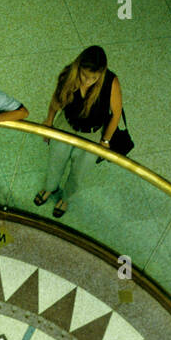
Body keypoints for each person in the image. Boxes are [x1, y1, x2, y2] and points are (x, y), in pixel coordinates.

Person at [35, 46, 123, 218]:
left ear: (102, 72)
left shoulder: (111, 82)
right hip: (66, 126)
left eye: (94, 77)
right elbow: (57, 100)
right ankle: (50, 188)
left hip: (91, 135)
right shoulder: (69, 74)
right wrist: (49, 121)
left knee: (78, 173)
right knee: (55, 162)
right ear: (79, 68)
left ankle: (66, 198)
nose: (88, 81)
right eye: (85, 75)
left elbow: (116, 114)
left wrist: (105, 141)